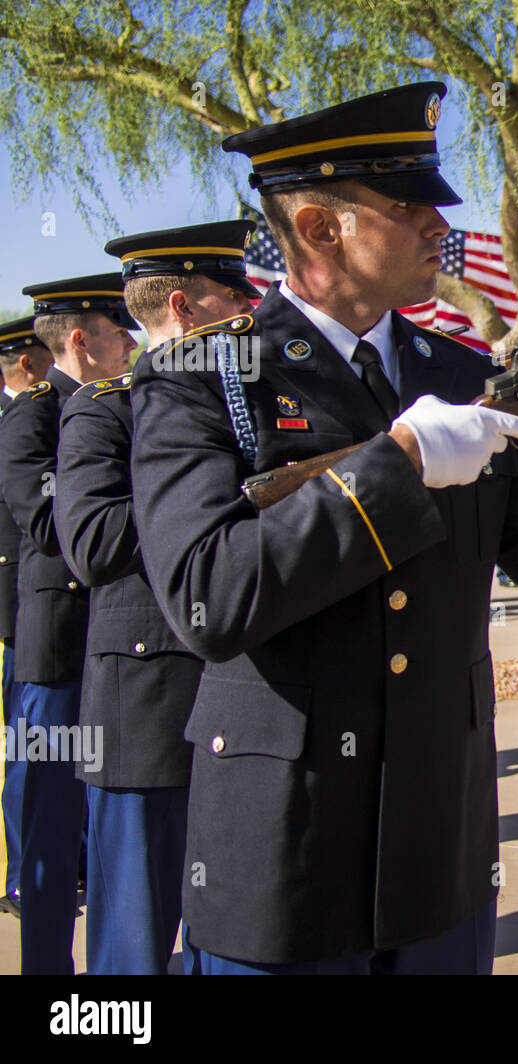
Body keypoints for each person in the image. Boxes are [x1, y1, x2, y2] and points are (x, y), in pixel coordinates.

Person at [127, 82, 518, 974]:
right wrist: (391, 469)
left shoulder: (463, 372)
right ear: (322, 229)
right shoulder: (206, 379)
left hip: (439, 847)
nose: (442, 225)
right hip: (286, 852)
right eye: (410, 207)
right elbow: (209, 599)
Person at [52, 221, 258, 975]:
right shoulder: (107, 407)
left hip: (244, 694)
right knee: (132, 945)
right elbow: (95, 543)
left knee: (233, 924)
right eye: (236, 297)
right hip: (146, 698)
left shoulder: (255, 397)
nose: (252, 310)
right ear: (187, 306)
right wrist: (198, 490)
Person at [0, 275, 137, 974]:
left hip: (119, 646)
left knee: (114, 827)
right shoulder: (32, 418)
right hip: (57, 653)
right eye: (119, 332)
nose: (131, 344)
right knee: (49, 829)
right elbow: (55, 529)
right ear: (81, 341)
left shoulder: (125, 408)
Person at [0, 318, 54, 919]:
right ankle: (23, 877)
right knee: (32, 755)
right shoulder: (27, 417)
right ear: (29, 362)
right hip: (27, 612)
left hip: (45, 610)